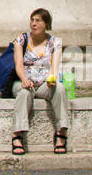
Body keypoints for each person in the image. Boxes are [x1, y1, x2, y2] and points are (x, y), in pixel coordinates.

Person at [10, 8, 68, 155]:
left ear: (46, 24)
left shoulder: (54, 42)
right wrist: (24, 79)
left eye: (38, 21)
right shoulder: (20, 40)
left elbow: (54, 66)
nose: (34, 23)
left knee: (60, 89)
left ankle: (61, 132)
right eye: (32, 20)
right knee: (24, 93)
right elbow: (18, 64)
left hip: (43, 84)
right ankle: (17, 135)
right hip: (24, 82)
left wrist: (52, 79)